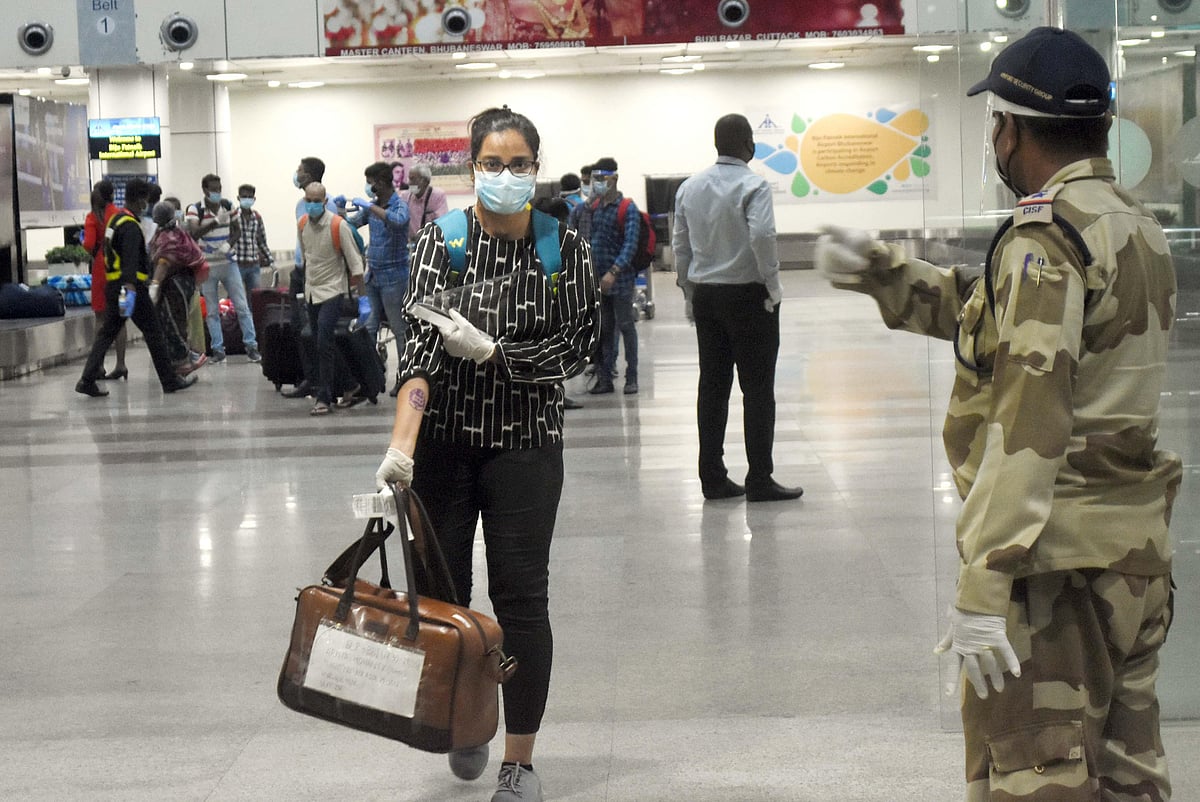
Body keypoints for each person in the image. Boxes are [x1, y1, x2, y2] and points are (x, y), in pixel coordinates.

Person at [816, 27, 1180, 800]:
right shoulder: (1129, 224)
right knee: (1129, 776)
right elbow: (994, 321)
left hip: (1058, 575)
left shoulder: (1044, 239)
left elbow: (1030, 417)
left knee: (1035, 778)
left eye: (994, 126)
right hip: (1135, 558)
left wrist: (986, 580)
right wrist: (884, 275)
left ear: (1009, 129)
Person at [375, 106, 599, 802]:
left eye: (519, 163)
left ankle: (520, 760)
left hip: (527, 446)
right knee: (445, 599)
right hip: (443, 447)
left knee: (521, 599)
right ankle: (468, 721)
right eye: (492, 164)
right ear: (473, 169)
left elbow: (577, 348)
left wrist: (500, 352)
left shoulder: (566, 248)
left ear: (536, 166)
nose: (506, 176)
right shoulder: (439, 242)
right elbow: (416, 355)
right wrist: (399, 450)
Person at [673, 113, 802, 502]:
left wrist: (688, 291)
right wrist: (773, 285)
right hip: (748, 297)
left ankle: (712, 477)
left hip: (708, 296)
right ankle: (759, 478)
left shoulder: (689, 187)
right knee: (758, 390)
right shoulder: (754, 184)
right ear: (748, 142)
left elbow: (680, 243)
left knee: (712, 388)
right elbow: (762, 234)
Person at [75, 178, 197, 397]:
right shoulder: (130, 225)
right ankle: (169, 381)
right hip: (130, 289)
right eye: (146, 200)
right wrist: (131, 287)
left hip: (115, 286)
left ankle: (87, 379)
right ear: (141, 200)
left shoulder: (115, 220)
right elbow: (130, 258)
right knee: (154, 331)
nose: (147, 205)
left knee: (108, 333)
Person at [297, 181, 365, 416]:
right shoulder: (303, 223)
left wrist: (363, 299)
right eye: (309, 200)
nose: (313, 205)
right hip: (312, 292)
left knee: (324, 340)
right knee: (321, 344)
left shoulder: (338, 225)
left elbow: (356, 264)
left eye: (317, 201)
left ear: (325, 202)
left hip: (333, 291)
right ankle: (349, 384)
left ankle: (324, 397)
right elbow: (307, 257)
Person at [188, 174, 261, 363]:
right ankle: (218, 350)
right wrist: (215, 221)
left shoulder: (228, 206)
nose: (217, 193)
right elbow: (193, 233)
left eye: (219, 189)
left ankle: (251, 346)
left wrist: (229, 243)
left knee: (242, 306)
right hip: (207, 266)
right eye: (213, 189)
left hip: (229, 263)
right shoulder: (195, 210)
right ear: (204, 190)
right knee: (212, 310)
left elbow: (237, 230)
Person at [583, 156, 641, 395]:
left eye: (601, 178)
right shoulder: (594, 208)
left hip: (620, 281)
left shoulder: (628, 208)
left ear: (614, 178)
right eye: (594, 178)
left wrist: (613, 272)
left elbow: (630, 244)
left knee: (626, 326)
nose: (596, 183)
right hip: (597, 280)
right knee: (604, 330)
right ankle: (604, 377)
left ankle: (632, 377)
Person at [282, 157, 337, 399]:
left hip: (321, 276)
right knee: (298, 326)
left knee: (317, 332)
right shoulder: (299, 205)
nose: (296, 174)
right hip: (300, 271)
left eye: (300, 171)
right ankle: (310, 378)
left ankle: (325, 383)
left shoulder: (330, 205)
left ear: (310, 175)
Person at [149, 201, 210, 376]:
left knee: (173, 323)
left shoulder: (168, 238)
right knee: (179, 321)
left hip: (175, 285)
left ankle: (184, 360)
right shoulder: (178, 233)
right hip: (185, 283)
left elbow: (163, 263)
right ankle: (184, 358)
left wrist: (154, 286)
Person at [81, 179, 127, 381]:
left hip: (101, 266)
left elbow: (90, 244)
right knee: (119, 317)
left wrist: (85, 243)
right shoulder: (120, 214)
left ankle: (98, 365)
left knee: (101, 318)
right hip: (120, 266)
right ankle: (121, 364)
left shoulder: (93, 217)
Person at [231, 183, 272, 292]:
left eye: (250, 197)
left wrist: (270, 260)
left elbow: (261, 242)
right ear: (238, 198)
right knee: (237, 296)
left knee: (255, 298)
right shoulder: (233, 216)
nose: (247, 199)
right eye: (244, 196)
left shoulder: (257, 217)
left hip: (254, 265)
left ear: (254, 199)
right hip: (237, 265)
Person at [402, 163, 449, 240]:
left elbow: (442, 223)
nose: (409, 183)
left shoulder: (437, 196)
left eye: (413, 179)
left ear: (426, 182)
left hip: (431, 241)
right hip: (412, 243)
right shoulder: (405, 196)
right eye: (409, 179)